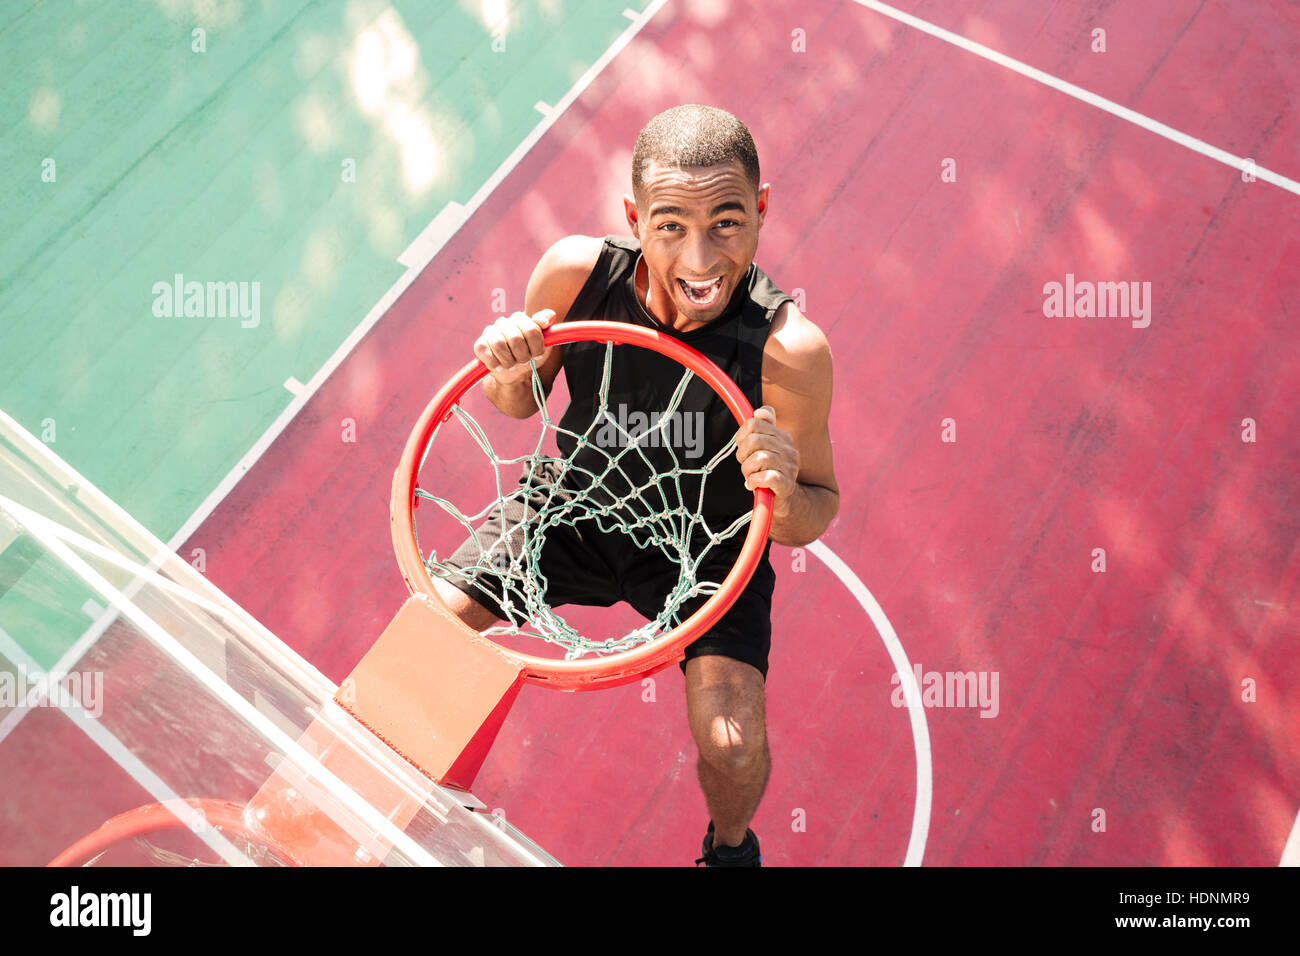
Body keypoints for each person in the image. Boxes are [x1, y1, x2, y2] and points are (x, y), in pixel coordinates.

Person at [433, 104, 839, 866]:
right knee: (427, 634)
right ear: (633, 217)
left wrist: (783, 491)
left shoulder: (789, 351)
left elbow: (818, 508)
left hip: (710, 550)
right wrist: (508, 369)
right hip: (572, 508)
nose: (699, 258)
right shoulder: (576, 275)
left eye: (726, 222)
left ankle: (728, 851)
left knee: (735, 745)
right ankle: (357, 796)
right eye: (670, 226)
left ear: (761, 208)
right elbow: (520, 403)